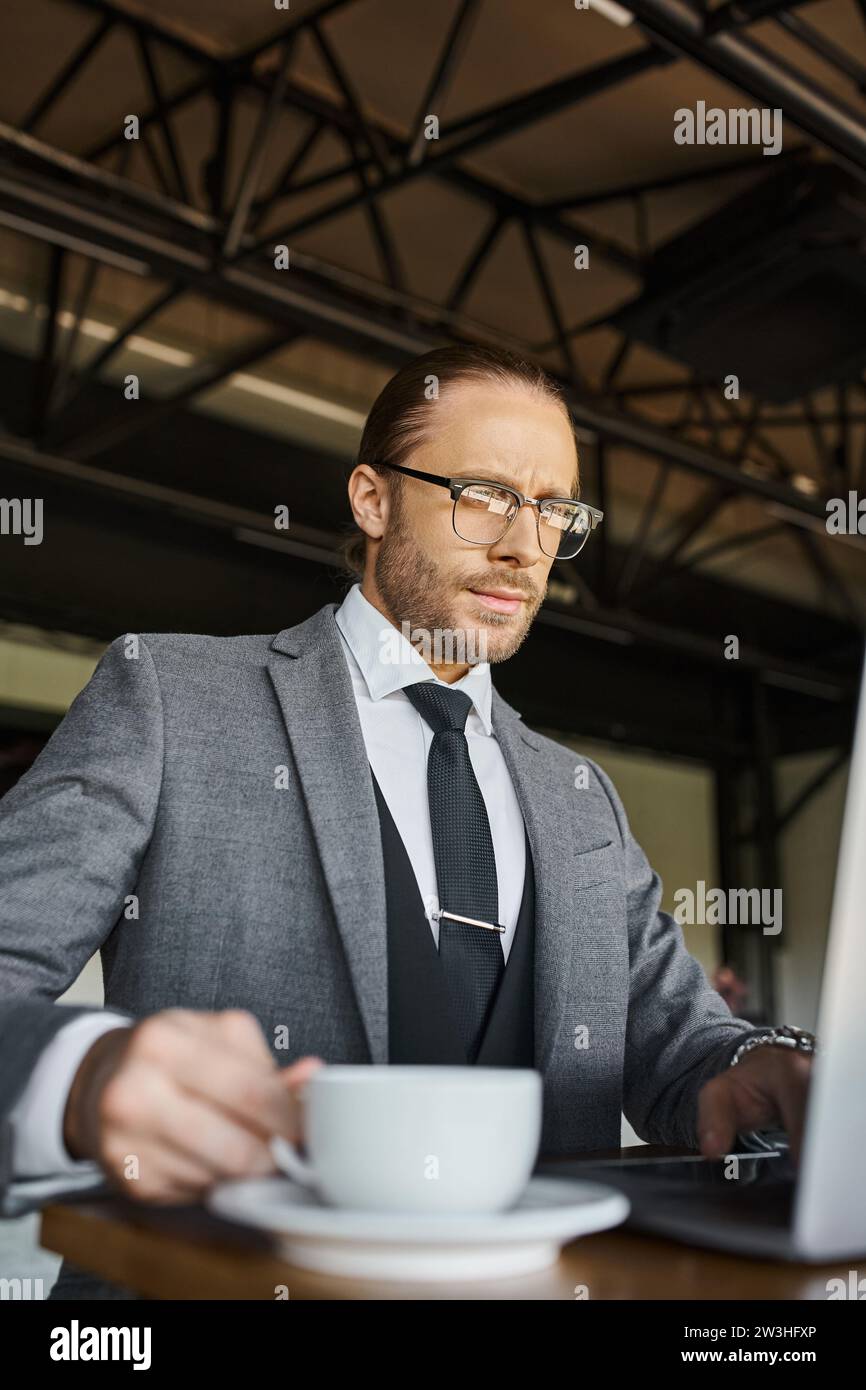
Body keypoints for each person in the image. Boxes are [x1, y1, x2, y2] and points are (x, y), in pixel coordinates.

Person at [0, 344, 811, 1298]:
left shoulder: (580, 796)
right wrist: (84, 1076)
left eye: (554, 510)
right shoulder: (174, 700)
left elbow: (680, 1051)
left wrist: (757, 1070)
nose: (525, 547)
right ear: (373, 500)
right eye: (484, 494)